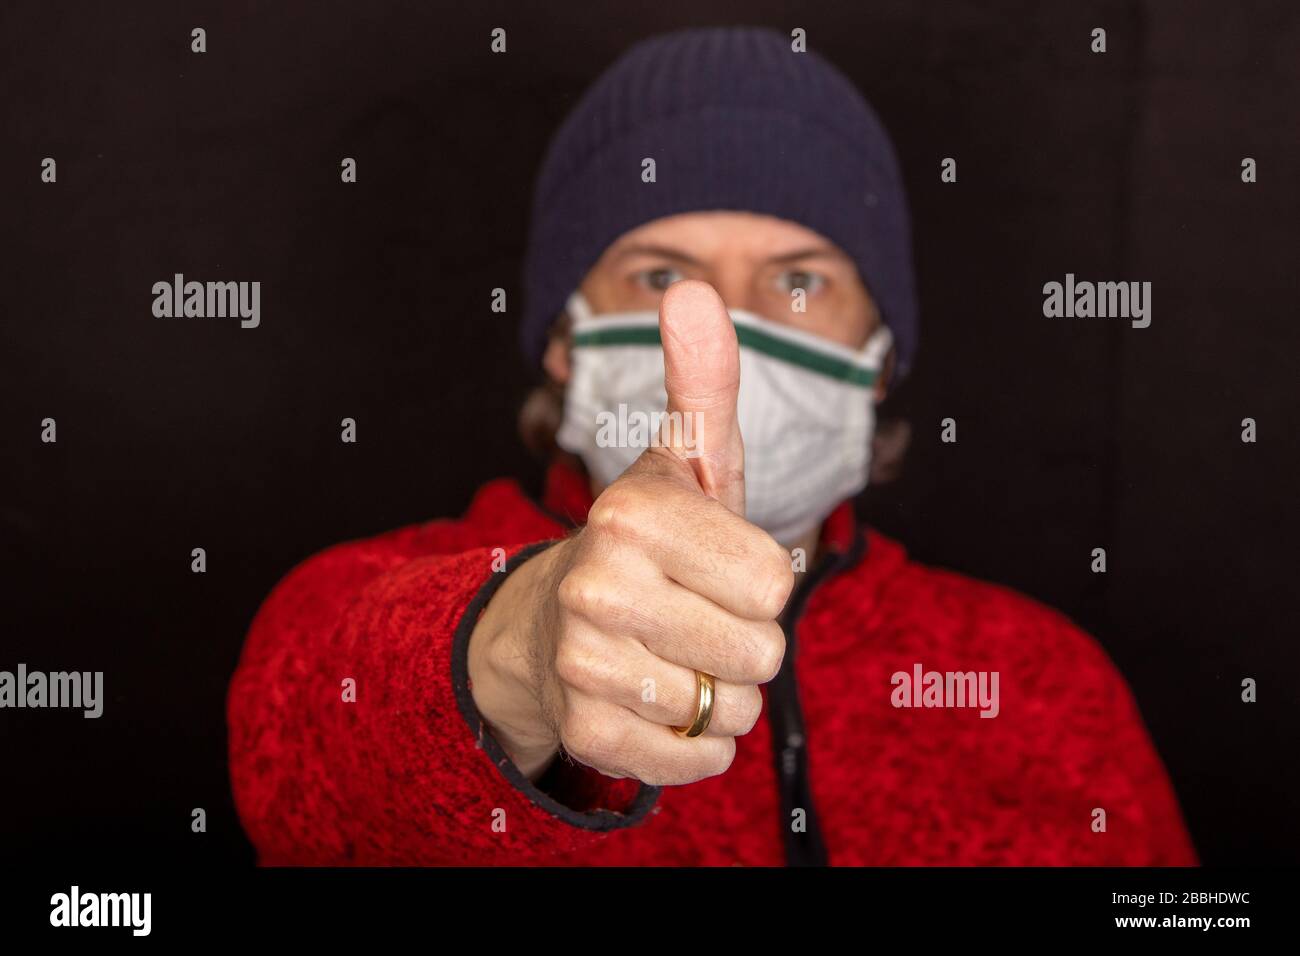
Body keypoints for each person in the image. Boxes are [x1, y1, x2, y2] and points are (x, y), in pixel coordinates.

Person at [227, 26, 1196, 866]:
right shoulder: (350, 605)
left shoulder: (1041, 680)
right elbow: (303, 782)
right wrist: (523, 649)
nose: (729, 325)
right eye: (660, 274)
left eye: (801, 281)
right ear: (563, 337)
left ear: (881, 353)